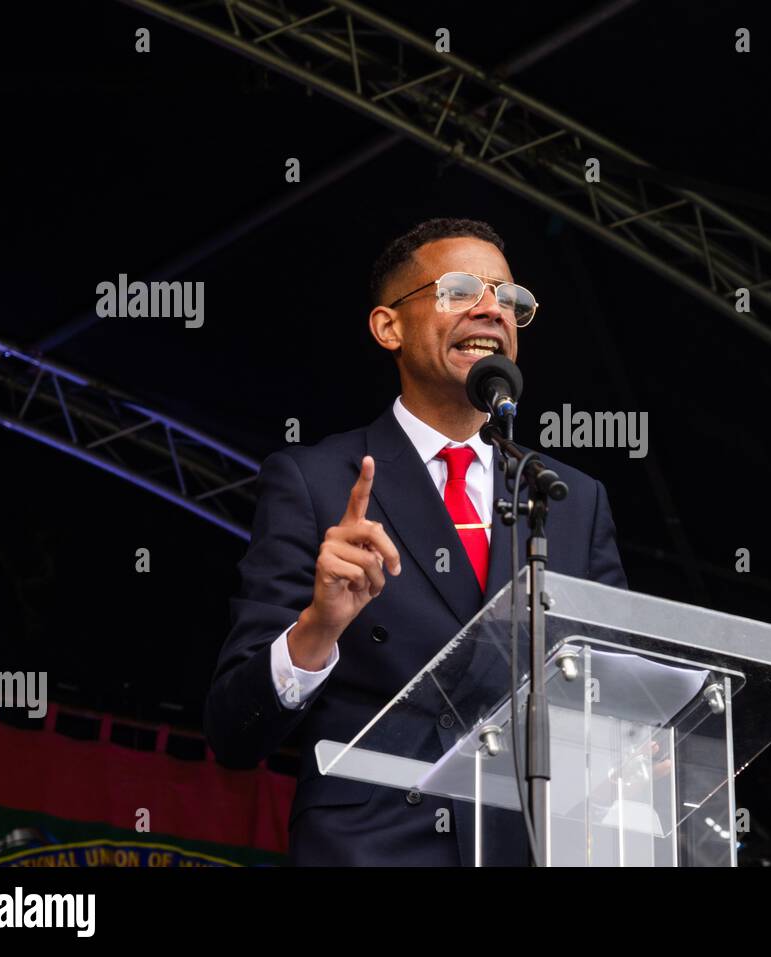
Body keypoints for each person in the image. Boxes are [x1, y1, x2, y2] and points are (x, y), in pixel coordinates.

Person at [204, 218, 627, 865]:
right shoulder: (316, 481)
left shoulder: (567, 496)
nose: (492, 309)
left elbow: (619, 690)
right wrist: (318, 628)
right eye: (460, 290)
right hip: (374, 850)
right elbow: (234, 732)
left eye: (510, 299)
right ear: (388, 326)